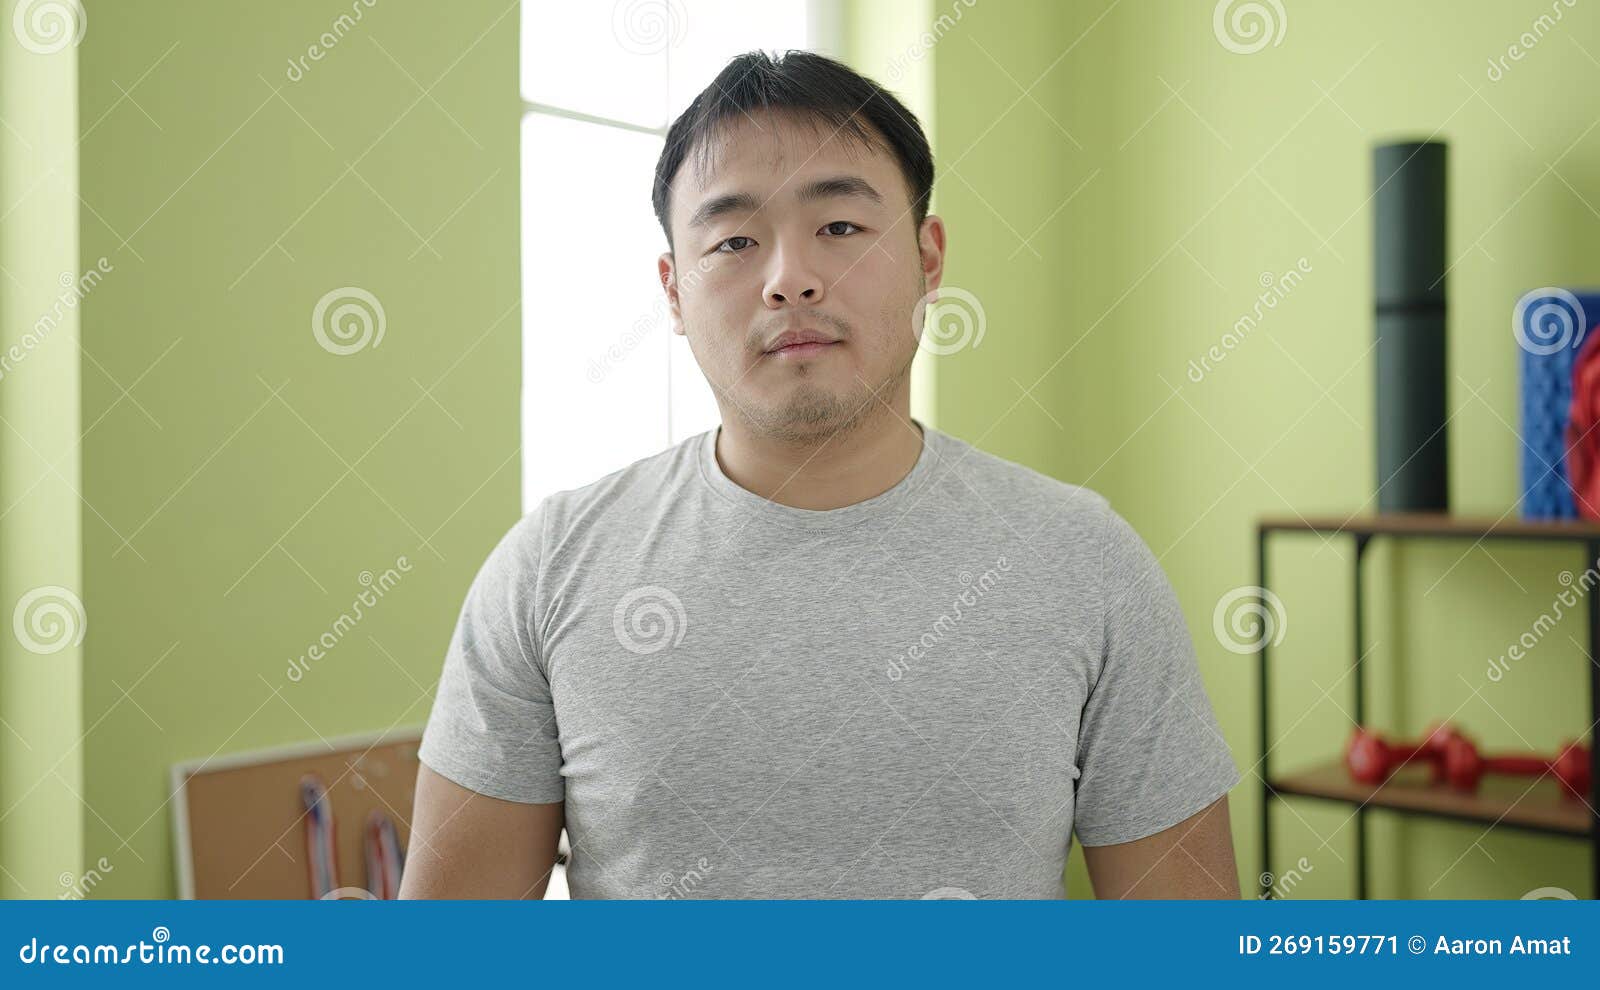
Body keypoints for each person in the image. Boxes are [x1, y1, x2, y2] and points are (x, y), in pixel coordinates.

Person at [400, 50, 1240, 900]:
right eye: (732, 241)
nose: (789, 280)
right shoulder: (550, 564)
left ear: (929, 257)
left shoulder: (1084, 560)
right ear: (674, 293)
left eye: (839, 227)